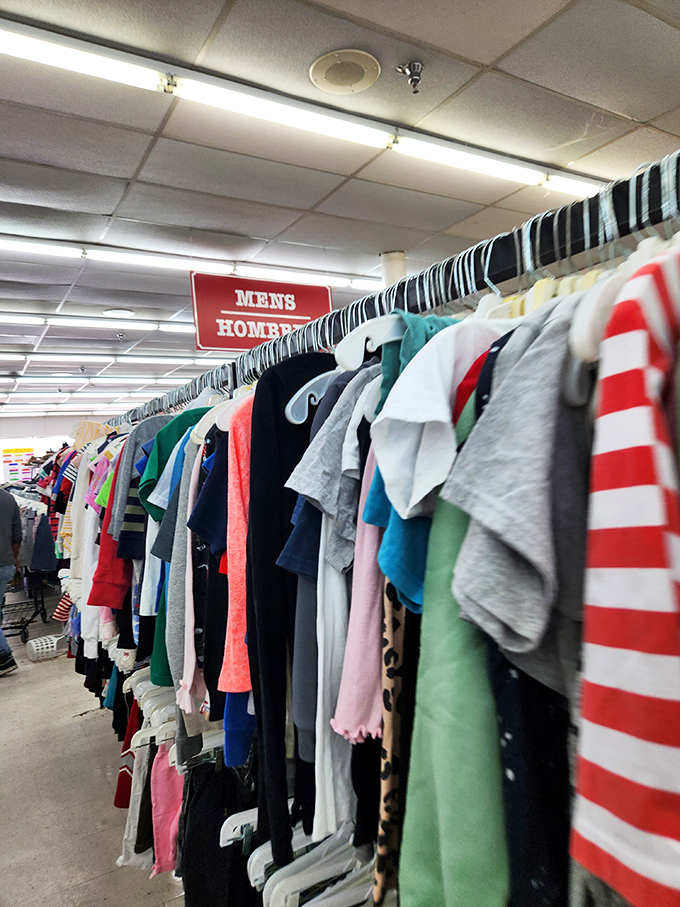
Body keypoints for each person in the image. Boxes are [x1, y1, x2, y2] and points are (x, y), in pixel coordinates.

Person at [0, 489, 22, 675]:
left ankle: (3, 656)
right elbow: (17, 535)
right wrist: (13, 560)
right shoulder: (8, 498)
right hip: (5, 563)